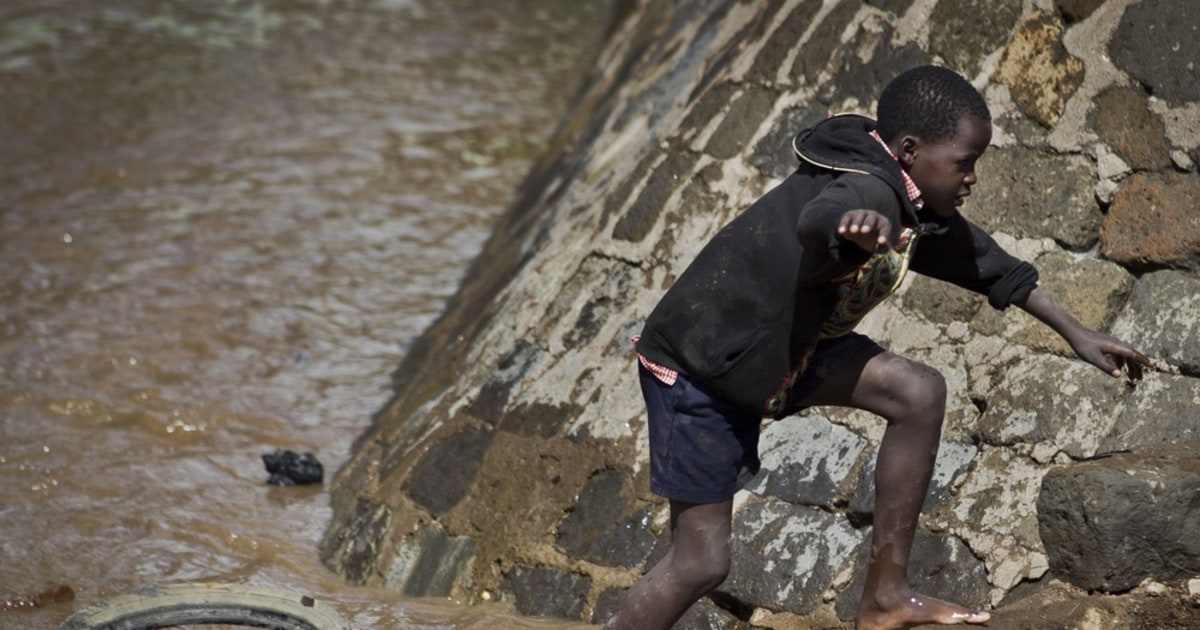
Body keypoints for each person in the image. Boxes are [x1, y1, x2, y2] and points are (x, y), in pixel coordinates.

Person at [605, 65, 1150, 630]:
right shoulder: (868, 189)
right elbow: (819, 218)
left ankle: (886, 597)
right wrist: (848, 224)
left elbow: (988, 264)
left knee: (917, 393)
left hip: (784, 354)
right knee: (700, 562)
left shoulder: (913, 202)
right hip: (701, 370)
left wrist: (1076, 332)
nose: (972, 178)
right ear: (910, 151)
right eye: (964, 163)